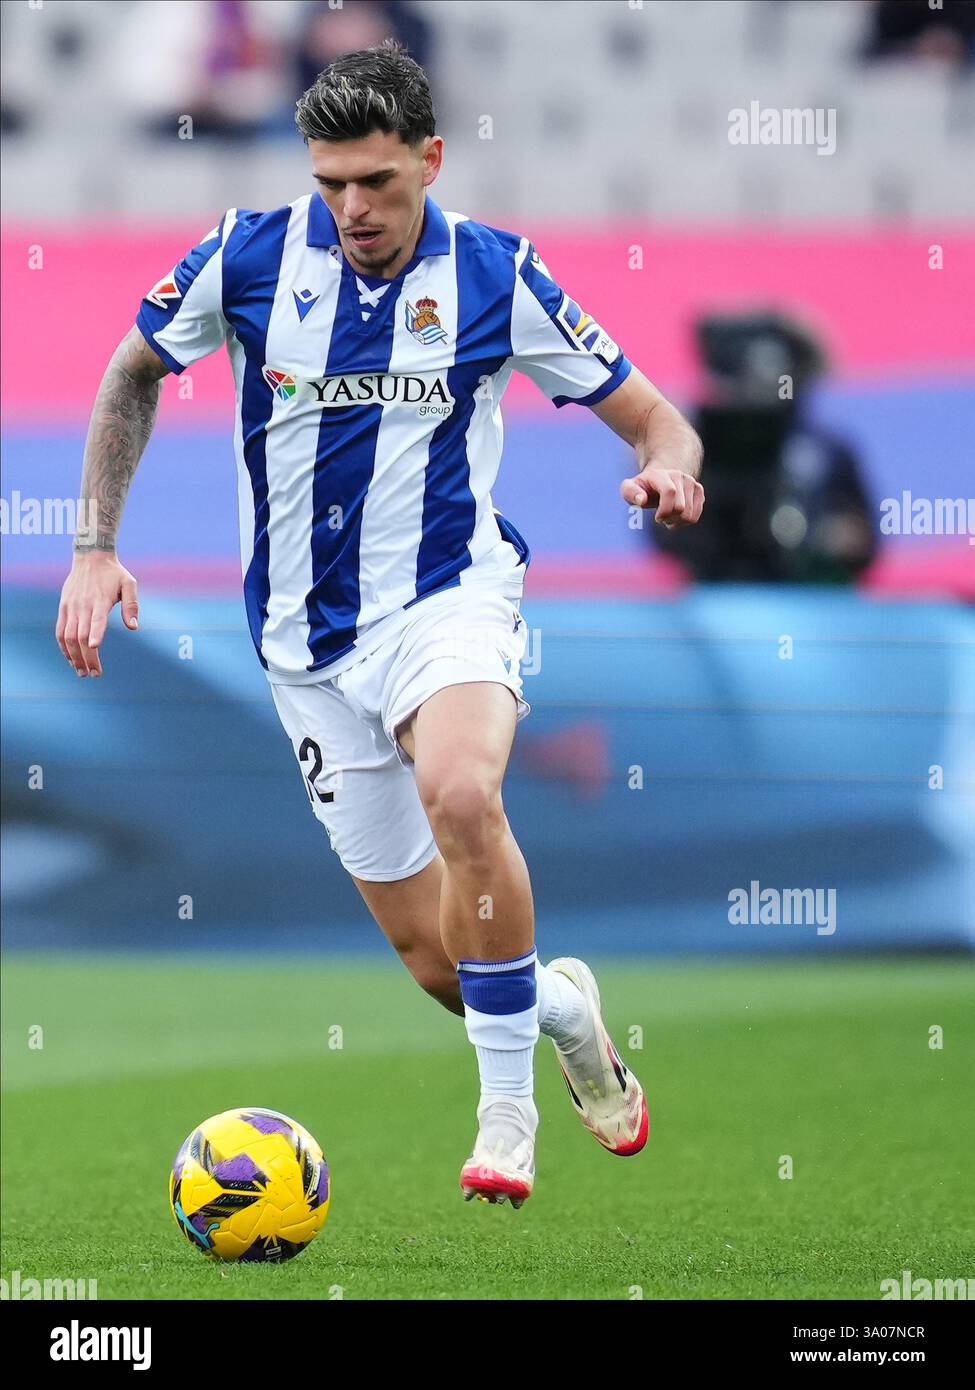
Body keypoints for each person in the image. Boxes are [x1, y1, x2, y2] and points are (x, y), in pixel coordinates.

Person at [56, 40, 704, 1207]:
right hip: (304, 646)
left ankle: (504, 1121)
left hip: (447, 599)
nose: (353, 207)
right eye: (331, 183)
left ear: (431, 160)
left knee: (463, 791)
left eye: (378, 182)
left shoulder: (498, 275)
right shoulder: (248, 255)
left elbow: (659, 419)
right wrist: (96, 542)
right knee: (443, 963)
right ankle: (564, 1013)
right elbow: (131, 371)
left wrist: (670, 471)